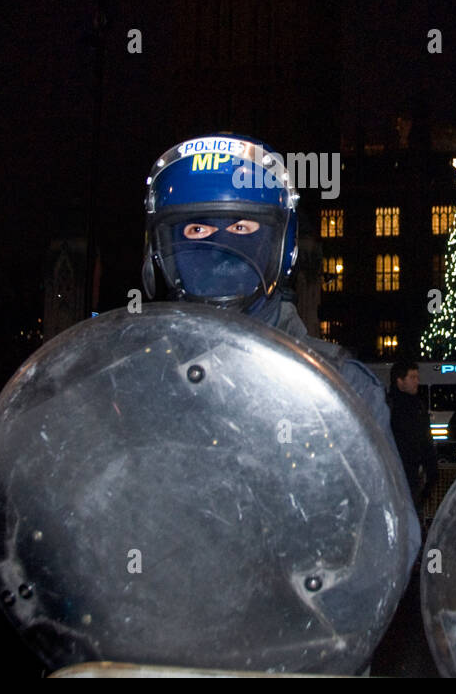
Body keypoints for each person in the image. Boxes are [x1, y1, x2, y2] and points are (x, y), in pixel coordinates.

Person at [143, 133, 421, 570]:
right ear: (164, 249)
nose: (218, 247)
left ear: (283, 243)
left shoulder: (341, 388)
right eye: (197, 230)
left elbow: (385, 550)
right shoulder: (135, 378)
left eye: (241, 228)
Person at [385, 360, 438, 513]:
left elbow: (425, 439)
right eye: (412, 377)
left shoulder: (417, 406)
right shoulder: (390, 406)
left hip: (411, 472)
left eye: (417, 377)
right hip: (398, 472)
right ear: (400, 381)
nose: (417, 381)